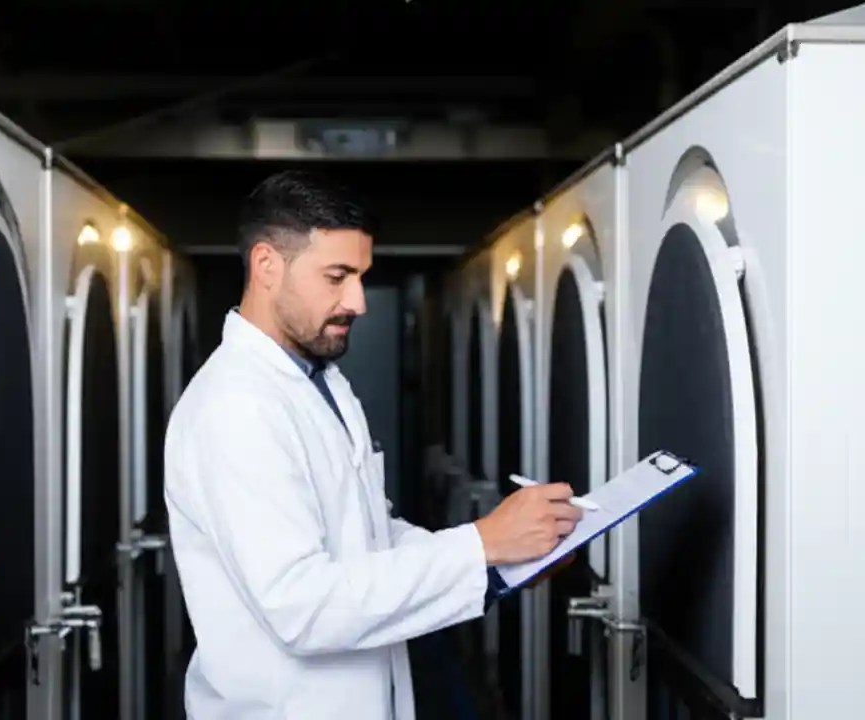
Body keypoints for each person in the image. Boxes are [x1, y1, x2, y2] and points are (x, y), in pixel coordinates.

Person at [163, 169, 582, 720]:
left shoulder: (323, 384)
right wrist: (481, 544)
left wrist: (503, 559)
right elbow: (302, 606)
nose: (358, 300)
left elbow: (370, 538)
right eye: (337, 276)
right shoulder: (235, 407)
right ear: (266, 265)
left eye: (360, 276)